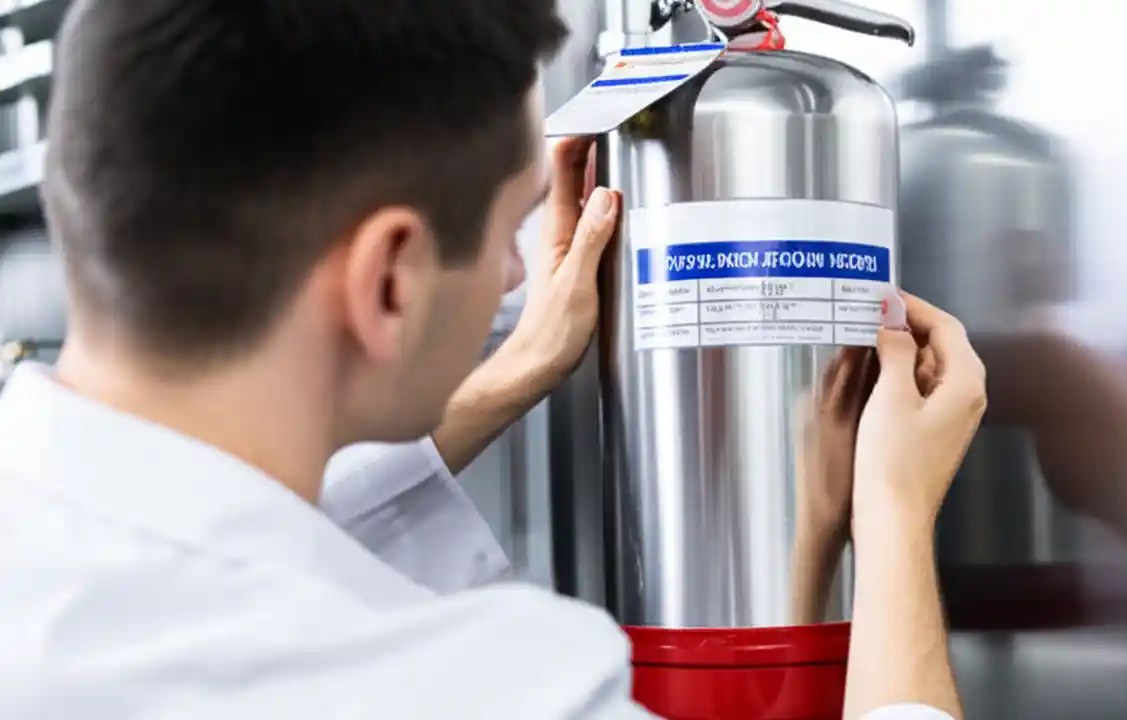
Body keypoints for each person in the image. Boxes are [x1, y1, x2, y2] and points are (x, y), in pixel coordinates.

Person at [0, 1, 986, 718]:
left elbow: (218, 531)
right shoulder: (474, 691)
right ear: (391, 275)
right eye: (513, 224)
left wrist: (515, 368)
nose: (523, 267)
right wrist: (891, 512)